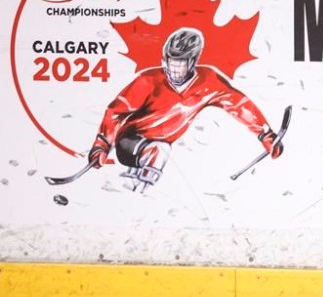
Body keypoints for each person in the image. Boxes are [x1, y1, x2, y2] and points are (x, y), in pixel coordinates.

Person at [87, 27, 284, 192]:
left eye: (179, 64)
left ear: (192, 62)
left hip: (157, 146)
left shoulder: (208, 82)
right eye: (170, 62)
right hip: (130, 142)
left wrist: (265, 134)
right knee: (161, 149)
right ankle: (137, 194)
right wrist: (101, 145)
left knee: (161, 148)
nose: (173, 70)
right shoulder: (148, 81)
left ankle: (136, 189)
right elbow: (116, 112)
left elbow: (239, 105)